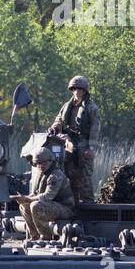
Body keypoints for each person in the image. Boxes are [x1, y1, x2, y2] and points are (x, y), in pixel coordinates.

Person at [49, 75, 101, 204]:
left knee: (84, 179)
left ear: (84, 91)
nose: (77, 91)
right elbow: (59, 120)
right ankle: (73, 207)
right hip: (69, 145)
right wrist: (54, 128)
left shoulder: (91, 108)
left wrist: (91, 147)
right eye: (75, 89)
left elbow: (95, 129)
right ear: (72, 90)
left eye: (80, 89)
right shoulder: (67, 106)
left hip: (84, 146)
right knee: (69, 176)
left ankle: (88, 208)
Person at [11, 147, 75, 241]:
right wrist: (23, 198)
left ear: (50, 161)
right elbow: (35, 194)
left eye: (44, 162)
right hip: (52, 206)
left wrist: (28, 199)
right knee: (23, 205)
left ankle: (45, 237)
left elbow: (47, 197)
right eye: (38, 163)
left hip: (65, 209)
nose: (40, 166)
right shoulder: (42, 174)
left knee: (35, 206)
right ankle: (34, 236)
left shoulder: (55, 175)